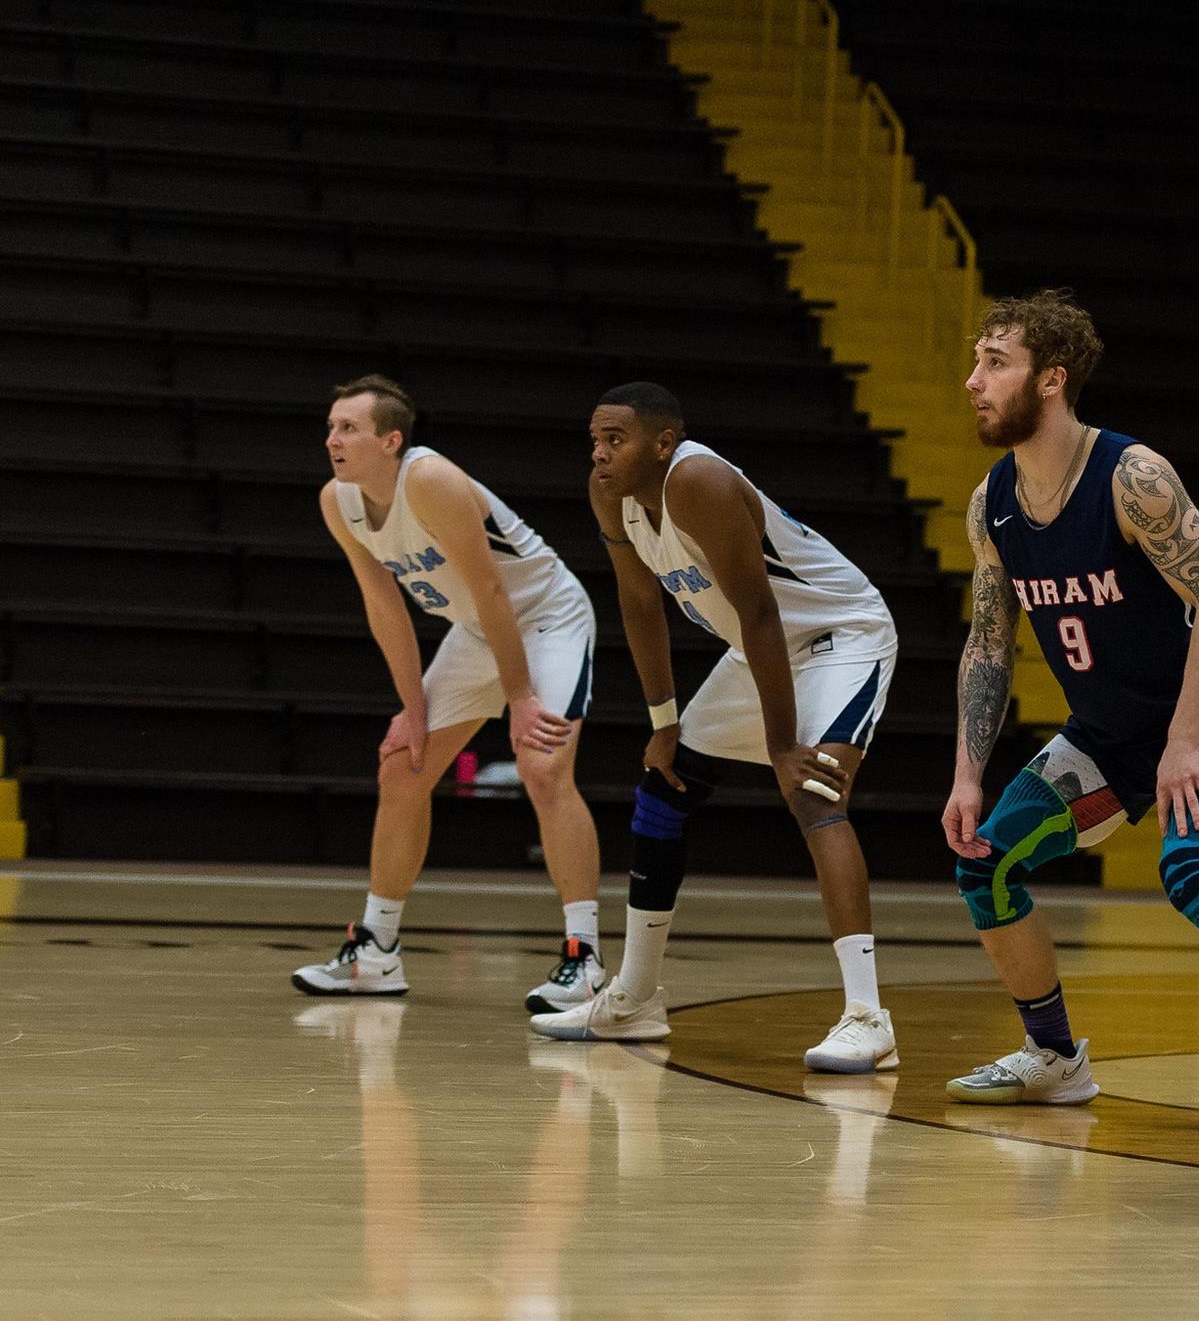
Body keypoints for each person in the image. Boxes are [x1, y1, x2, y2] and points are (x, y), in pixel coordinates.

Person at [942, 290, 1199, 1135]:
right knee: (986, 861)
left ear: (1051, 380)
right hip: (1107, 734)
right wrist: (968, 774)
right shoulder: (993, 504)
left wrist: (1187, 740)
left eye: (994, 362)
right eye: (976, 360)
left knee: (1192, 870)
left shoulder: (1132, 475)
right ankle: (1054, 1055)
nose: (972, 379)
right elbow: (987, 642)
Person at [530, 383, 901, 1074]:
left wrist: (783, 747)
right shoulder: (608, 494)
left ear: (663, 443)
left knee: (816, 796)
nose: (600, 452)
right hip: (760, 647)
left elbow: (760, 611)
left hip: (837, 635)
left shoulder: (697, 478)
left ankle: (868, 1017)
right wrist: (664, 721)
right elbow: (640, 603)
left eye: (616, 439)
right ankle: (635, 997)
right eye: (595, 439)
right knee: (663, 787)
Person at [293, 375, 603, 1012]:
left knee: (543, 767)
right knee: (401, 768)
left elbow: (493, 591)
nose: (333, 439)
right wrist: (412, 709)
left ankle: (585, 956)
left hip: (544, 618)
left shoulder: (429, 480)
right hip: (475, 632)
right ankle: (377, 949)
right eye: (330, 427)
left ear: (391, 440)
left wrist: (520, 697)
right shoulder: (339, 500)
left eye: (348, 428)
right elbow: (385, 610)